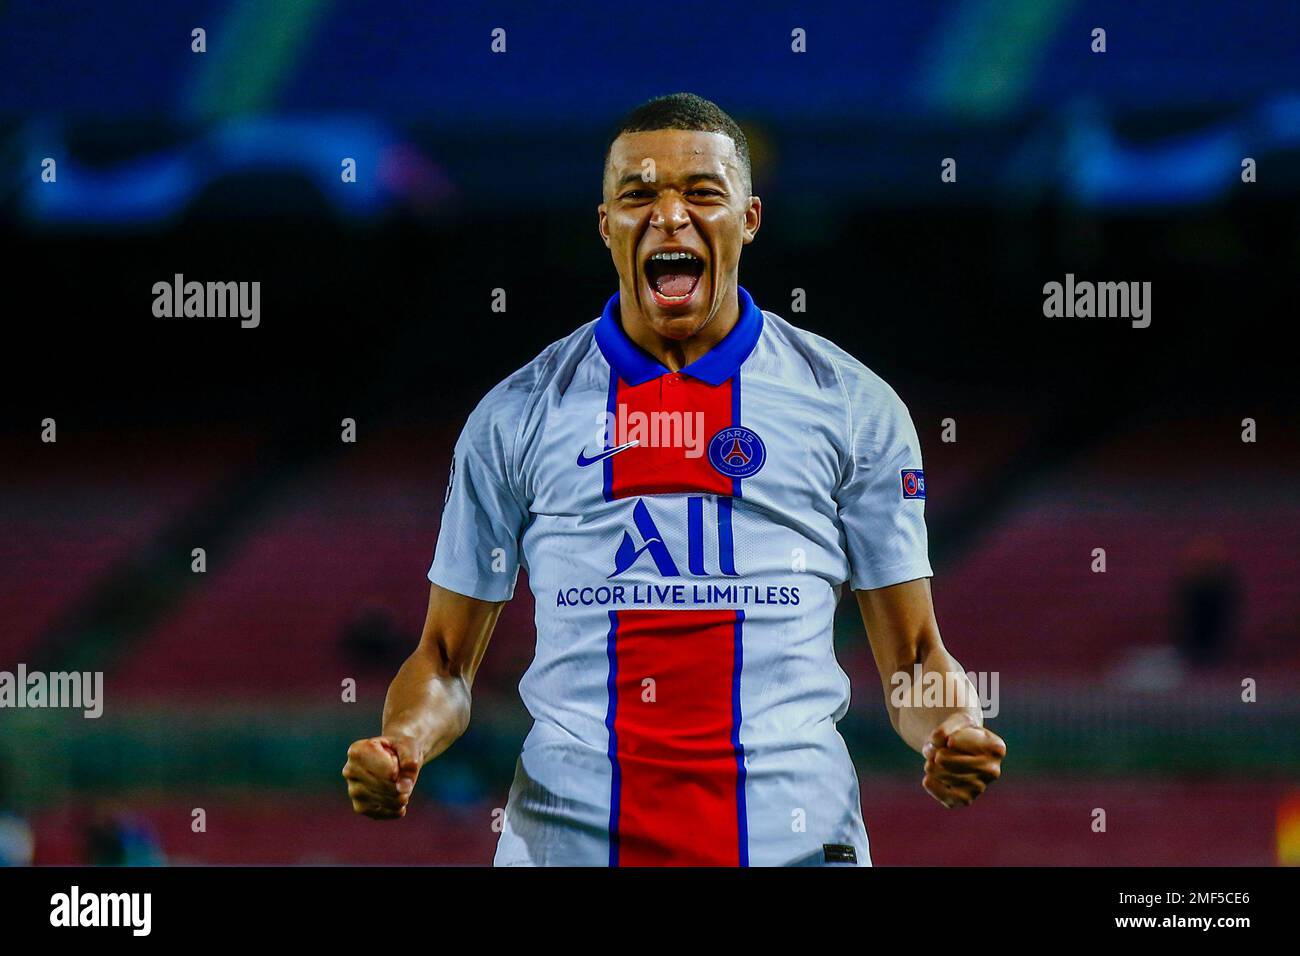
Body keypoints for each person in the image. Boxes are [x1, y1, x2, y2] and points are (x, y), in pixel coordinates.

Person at [343, 93, 1005, 866]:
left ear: (749, 218)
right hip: (572, 845)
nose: (669, 215)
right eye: (638, 195)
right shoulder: (515, 416)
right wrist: (404, 741)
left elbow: (917, 659)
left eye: (701, 192)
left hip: (791, 842)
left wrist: (953, 728)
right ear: (605, 226)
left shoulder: (852, 406)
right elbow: (446, 662)